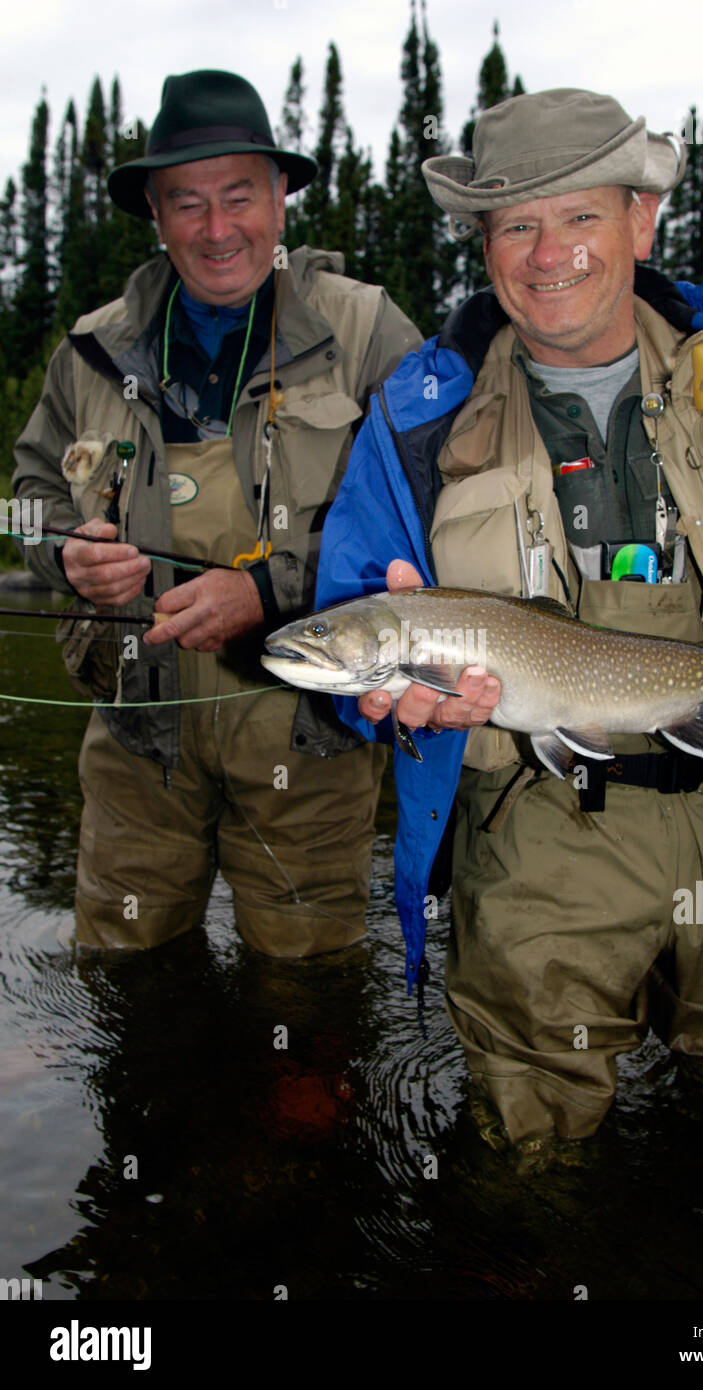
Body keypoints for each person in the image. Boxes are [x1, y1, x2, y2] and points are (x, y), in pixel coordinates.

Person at [316, 88, 703, 1146]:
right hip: (535, 826)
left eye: (580, 215)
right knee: (531, 1148)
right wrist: (388, 709)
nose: (547, 250)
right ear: (484, 245)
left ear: (641, 220)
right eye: (515, 223)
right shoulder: (419, 419)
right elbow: (345, 633)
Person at [13, 69, 421, 955]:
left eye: (239, 194)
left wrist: (271, 592)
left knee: (306, 1003)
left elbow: (431, 518)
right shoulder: (92, 349)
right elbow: (22, 505)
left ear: (281, 199)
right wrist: (62, 553)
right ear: (156, 218)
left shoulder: (365, 335)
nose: (216, 227)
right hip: (136, 739)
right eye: (186, 203)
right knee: (125, 984)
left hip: (311, 740)